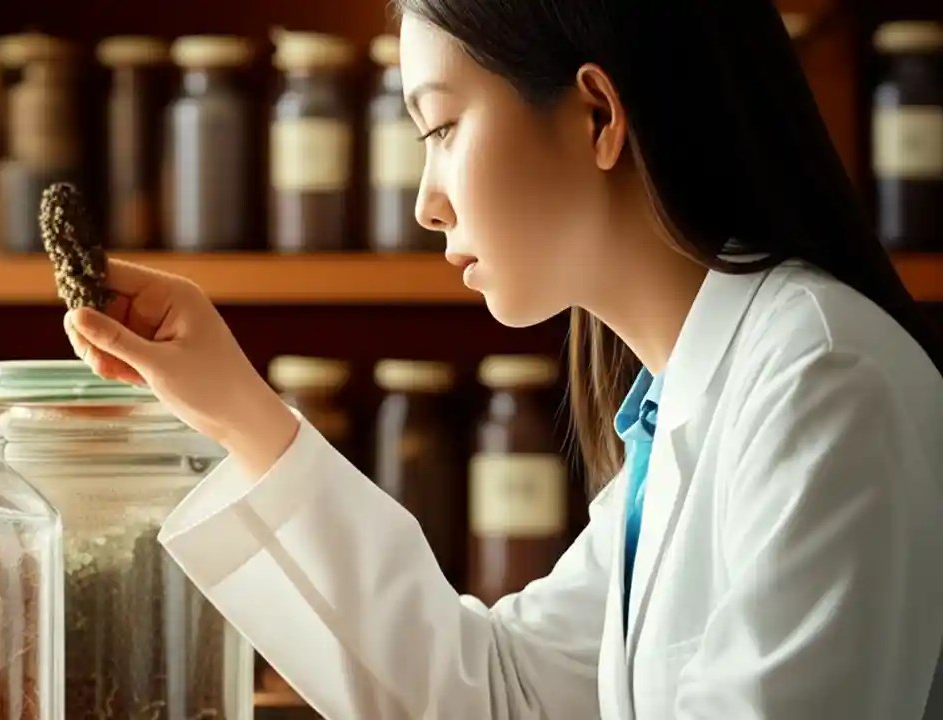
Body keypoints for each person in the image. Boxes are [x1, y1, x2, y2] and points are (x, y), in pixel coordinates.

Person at [64, 0, 943, 717]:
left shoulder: (824, 382)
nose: (426, 205)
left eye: (441, 127)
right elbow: (504, 691)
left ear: (597, 114)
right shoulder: (686, 403)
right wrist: (236, 412)